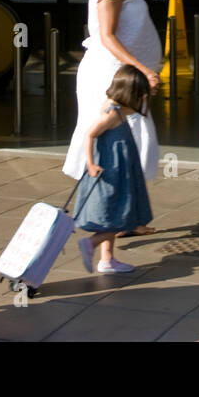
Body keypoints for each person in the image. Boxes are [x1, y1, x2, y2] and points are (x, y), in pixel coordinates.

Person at [63, 0, 161, 235]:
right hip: (111, 78)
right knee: (117, 145)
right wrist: (144, 69)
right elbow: (107, 36)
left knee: (128, 145)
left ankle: (128, 218)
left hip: (118, 77)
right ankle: (111, 220)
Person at [73, 65, 155, 274]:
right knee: (120, 216)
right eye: (142, 95)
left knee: (112, 215)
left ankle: (107, 259)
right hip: (111, 173)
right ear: (131, 95)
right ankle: (91, 244)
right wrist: (91, 164)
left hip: (119, 171)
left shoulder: (118, 110)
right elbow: (89, 134)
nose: (145, 98)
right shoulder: (112, 114)